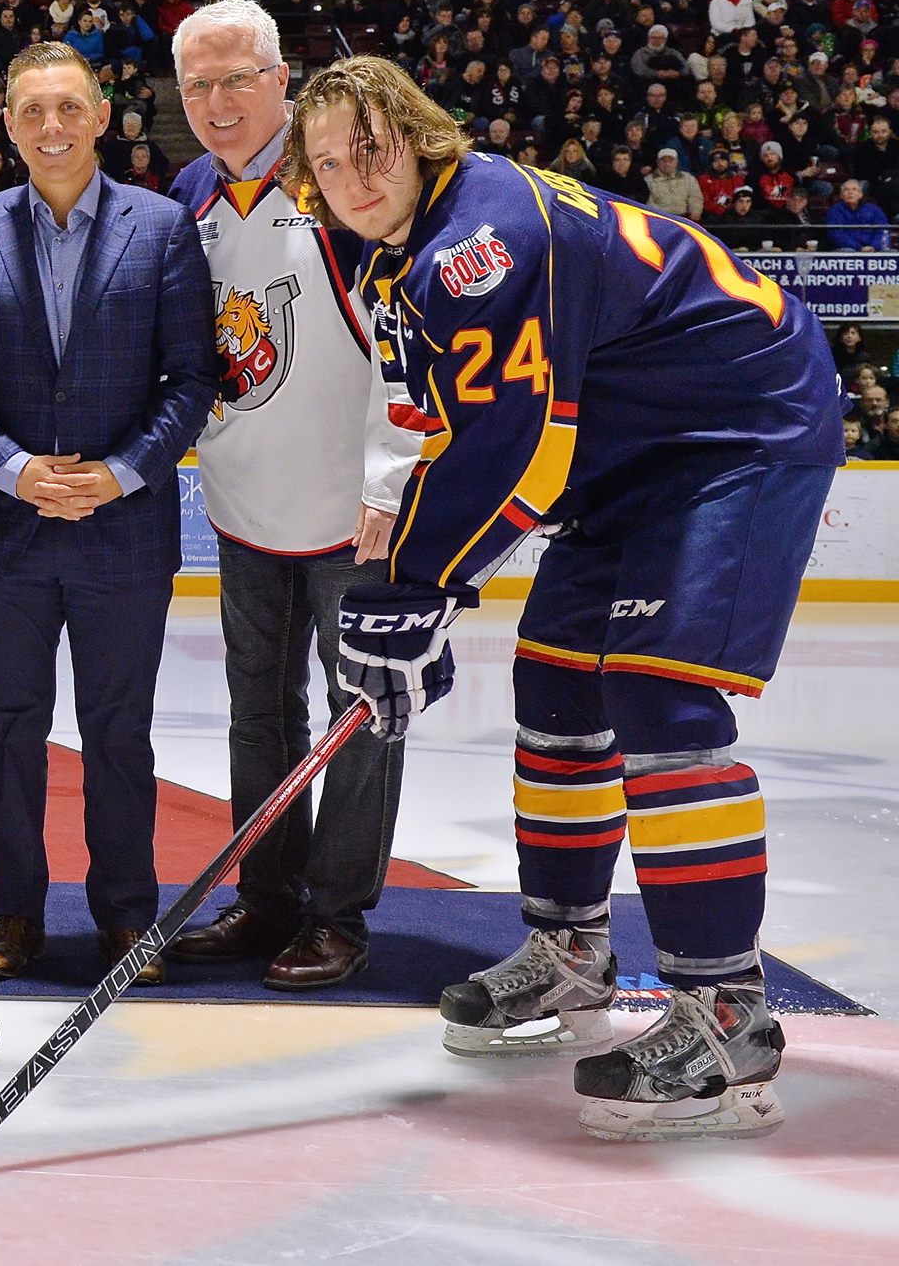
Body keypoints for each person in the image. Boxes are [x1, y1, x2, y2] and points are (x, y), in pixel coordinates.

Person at [284, 56, 841, 1142]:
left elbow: (515, 446)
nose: (350, 176)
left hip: (735, 432)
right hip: (628, 461)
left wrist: (417, 590)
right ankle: (571, 951)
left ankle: (726, 1010)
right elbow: (438, 434)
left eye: (370, 146)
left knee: (660, 703)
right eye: (324, 162)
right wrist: (410, 585)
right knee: (552, 692)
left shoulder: (477, 241)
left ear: (418, 134)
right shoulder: (393, 256)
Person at [0, 42, 218, 986]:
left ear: (100, 115)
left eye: (67, 108)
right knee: (9, 731)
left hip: (122, 532)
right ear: (8, 126)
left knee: (119, 733)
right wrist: (10, 470)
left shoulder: (165, 228)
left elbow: (190, 380)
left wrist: (123, 473)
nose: (50, 127)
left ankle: (129, 921)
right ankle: (15, 918)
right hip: (10, 533)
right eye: (29, 112)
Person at [162, 2, 420, 990]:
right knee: (255, 716)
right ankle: (264, 896)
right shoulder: (185, 195)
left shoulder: (342, 181)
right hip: (242, 513)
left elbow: (407, 342)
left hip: (355, 517)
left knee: (361, 714)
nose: (217, 103)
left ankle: (336, 915)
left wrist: (392, 483)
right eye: (195, 86)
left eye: (236, 79)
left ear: (281, 78)